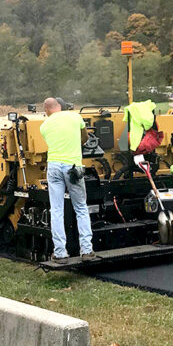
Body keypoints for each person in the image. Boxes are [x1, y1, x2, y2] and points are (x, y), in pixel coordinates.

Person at [40, 97, 98, 263]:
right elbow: (84, 138)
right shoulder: (75, 117)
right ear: (60, 106)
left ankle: (60, 253)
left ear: (47, 110)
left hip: (53, 167)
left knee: (57, 210)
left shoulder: (44, 126)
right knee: (80, 207)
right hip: (72, 167)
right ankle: (86, 250)